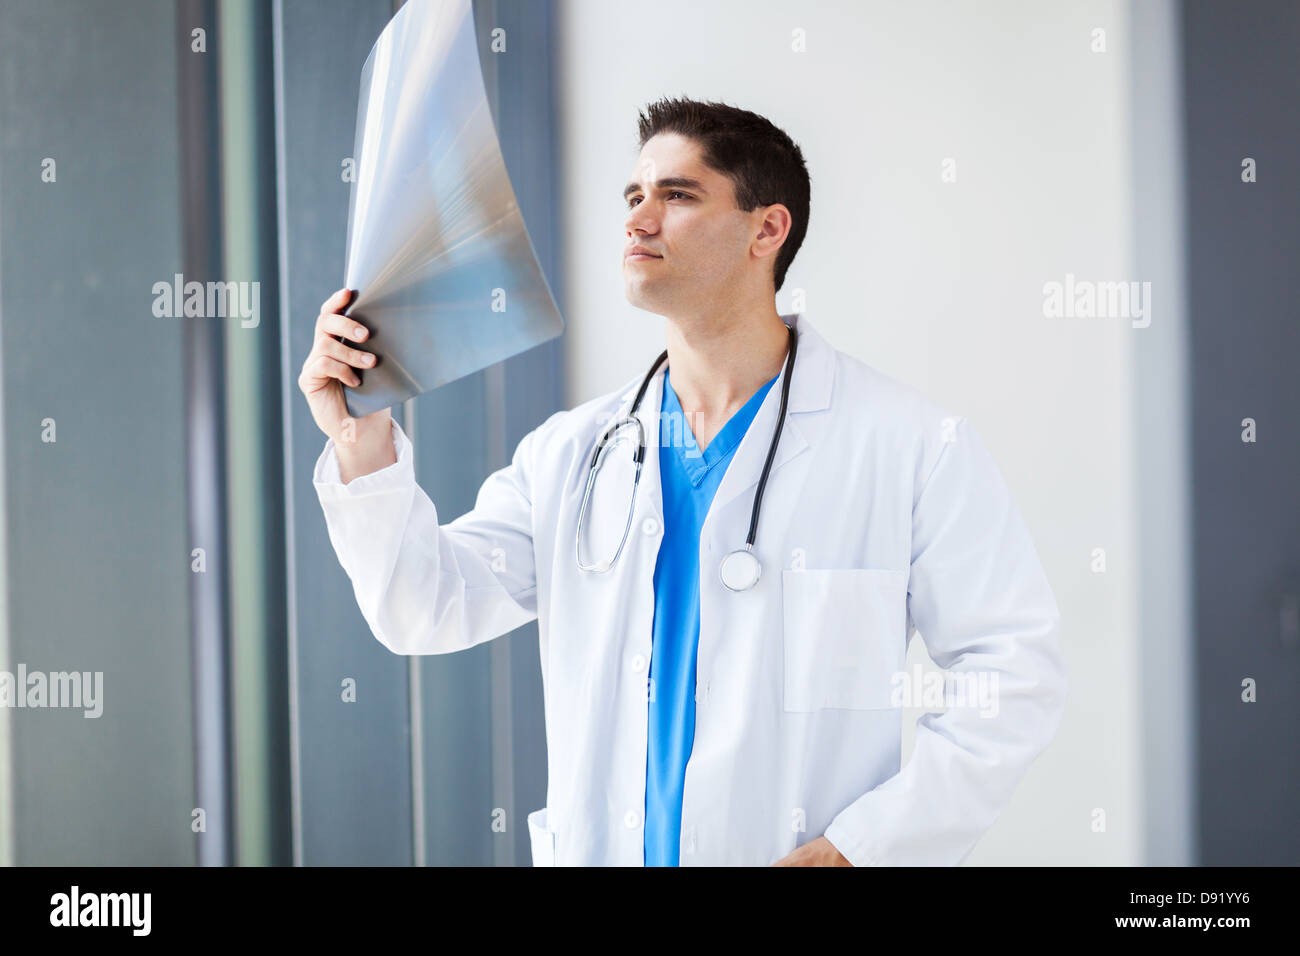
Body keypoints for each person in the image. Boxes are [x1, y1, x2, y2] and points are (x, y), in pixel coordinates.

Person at [299, 96, 1067, 866]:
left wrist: (860, 847)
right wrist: (358, 434)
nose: (637, 220)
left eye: (677, 196)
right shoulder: (572, 453)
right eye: (634, 196)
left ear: (767, 229)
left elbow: (1011, 674)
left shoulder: (907, 447)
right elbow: (423, 608)